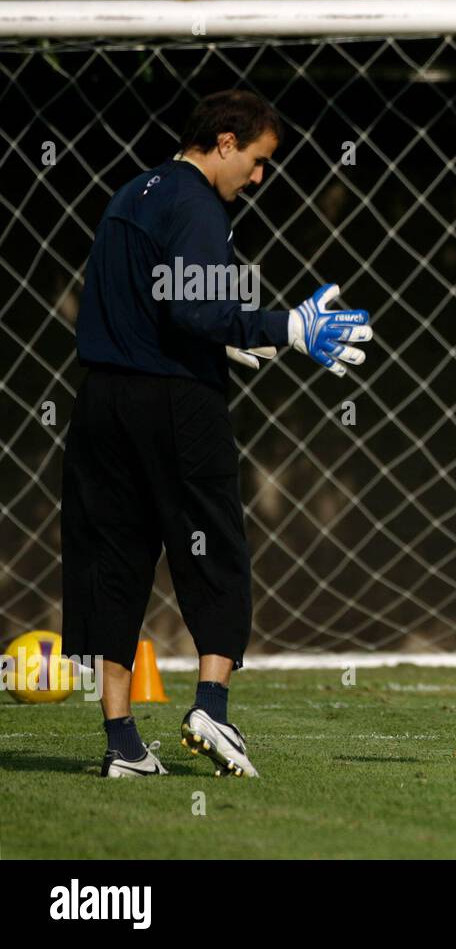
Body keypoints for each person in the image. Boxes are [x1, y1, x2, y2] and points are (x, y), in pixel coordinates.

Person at [61, 90, 374, 777]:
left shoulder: (128, 195)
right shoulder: (199, 204)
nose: (259, 179)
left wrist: (230, 340)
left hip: (101, 405)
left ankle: (123, 745)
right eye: (258, 161)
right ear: (226, 142)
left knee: (115, 561)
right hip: (175, 403)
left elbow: (153, 305)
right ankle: (212, 705)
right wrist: (284, 328)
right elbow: (199, 310)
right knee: (215, 549)